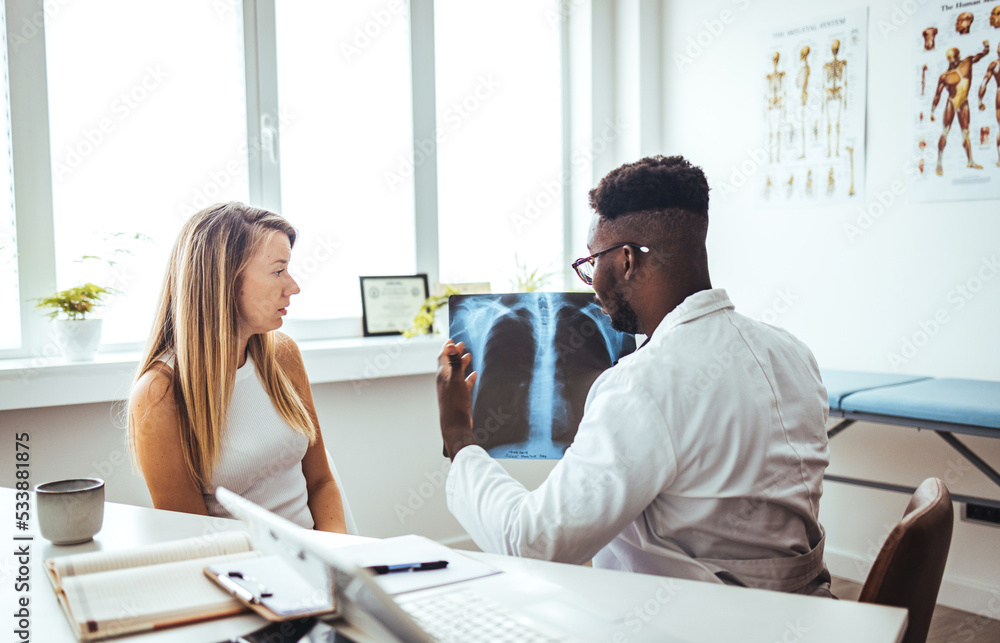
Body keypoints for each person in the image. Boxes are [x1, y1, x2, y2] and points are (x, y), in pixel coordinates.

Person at [436, 156, 832, 595]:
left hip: (701, 637)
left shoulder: (641, 384)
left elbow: (532, 543)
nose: (591, 281)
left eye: (591, 262)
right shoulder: (793, 352)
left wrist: (459, 437)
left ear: (626, 260)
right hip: (805, 616)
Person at [128, 202, 346, 532]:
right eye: (278, 271)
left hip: (320, 558)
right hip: (244, 575)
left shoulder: (282, 355)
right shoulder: (159, 393)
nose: (293, 286)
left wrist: (333, 559)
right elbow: (192, 539)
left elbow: (320, 482)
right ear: (224, 279)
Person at [931, 42, 991, 175]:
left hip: (964, 102)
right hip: (951, 103)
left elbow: (979, 56)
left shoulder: (967, 62)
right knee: (945, 131)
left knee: (966, 133)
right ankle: (939, 162)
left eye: (955, 57)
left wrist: (986, 49)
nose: (954, 61)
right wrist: (932, 111)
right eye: (951, 59)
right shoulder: (945, 76)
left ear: (959, 56)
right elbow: (937, 94)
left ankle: (970, 161)